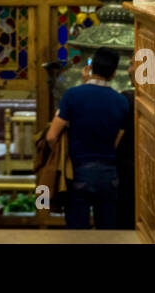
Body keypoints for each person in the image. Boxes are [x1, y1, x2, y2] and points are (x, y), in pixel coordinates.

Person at [44, 48, 130, 230]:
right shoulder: (121, 102)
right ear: (114, 73)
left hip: (77, 173)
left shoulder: (72, 96)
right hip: (109, 174)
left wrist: (61, 155)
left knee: (77, 233)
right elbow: (116, 141)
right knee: (107, 233)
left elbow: (51, 136)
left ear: (90, 68)